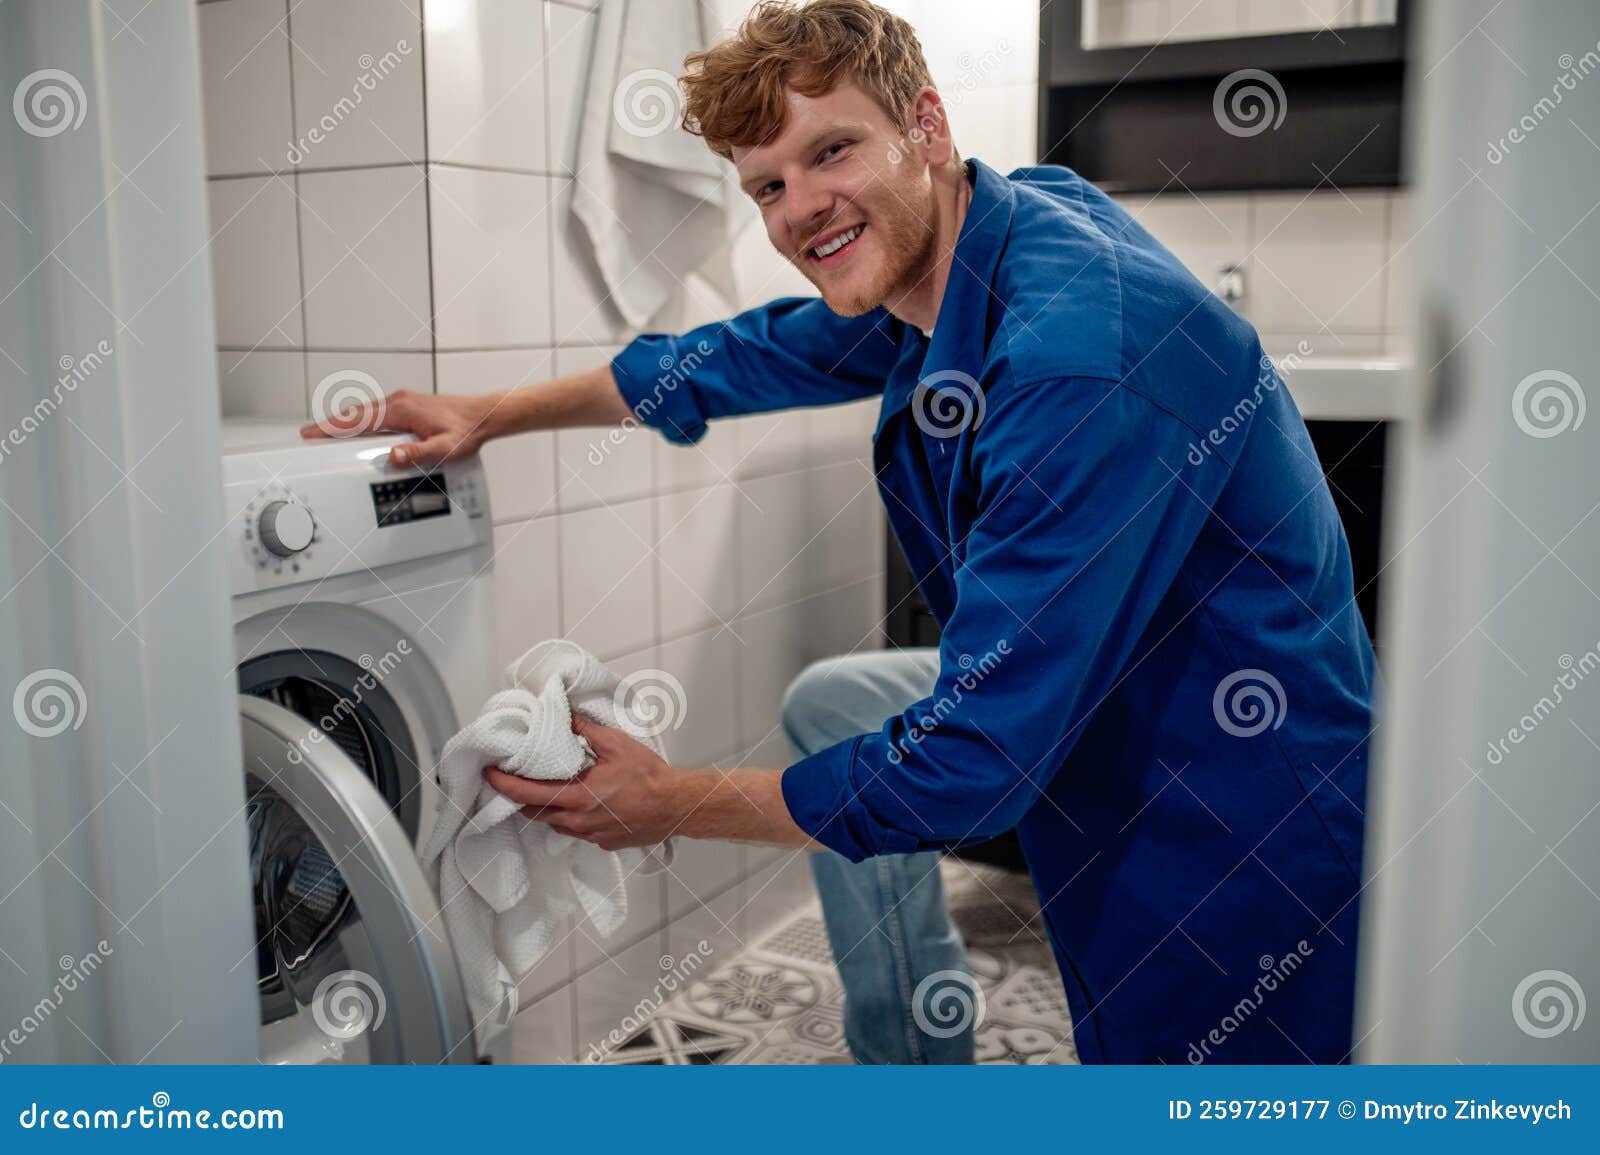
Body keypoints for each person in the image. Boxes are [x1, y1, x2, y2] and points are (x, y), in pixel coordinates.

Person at [303, 0, 1376, 1064]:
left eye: (832, 151)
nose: (802, 208)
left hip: (1230, 802)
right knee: (835, 706)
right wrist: (491, 415)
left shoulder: (1080, 363)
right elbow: (747, 354)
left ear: (926, 127)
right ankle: (909, 1060)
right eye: (769, 185)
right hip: (1100, 703)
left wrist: (665, 803)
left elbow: (973, 765)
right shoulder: (980, 239)